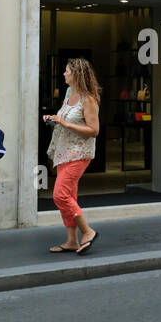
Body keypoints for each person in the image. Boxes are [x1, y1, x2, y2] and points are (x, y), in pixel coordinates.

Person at [44, 57, 100, 254]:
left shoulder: (89, 99)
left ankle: (87, 231)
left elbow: (94, 130)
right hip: (62, 152)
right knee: (69, 197)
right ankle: (71, 241)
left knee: (60, 195)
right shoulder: (69, 93)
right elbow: (66, 117)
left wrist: (65, 123)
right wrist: (54, 119)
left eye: (67, 70)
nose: (64, 73)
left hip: (79, 154)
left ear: (76, 74)